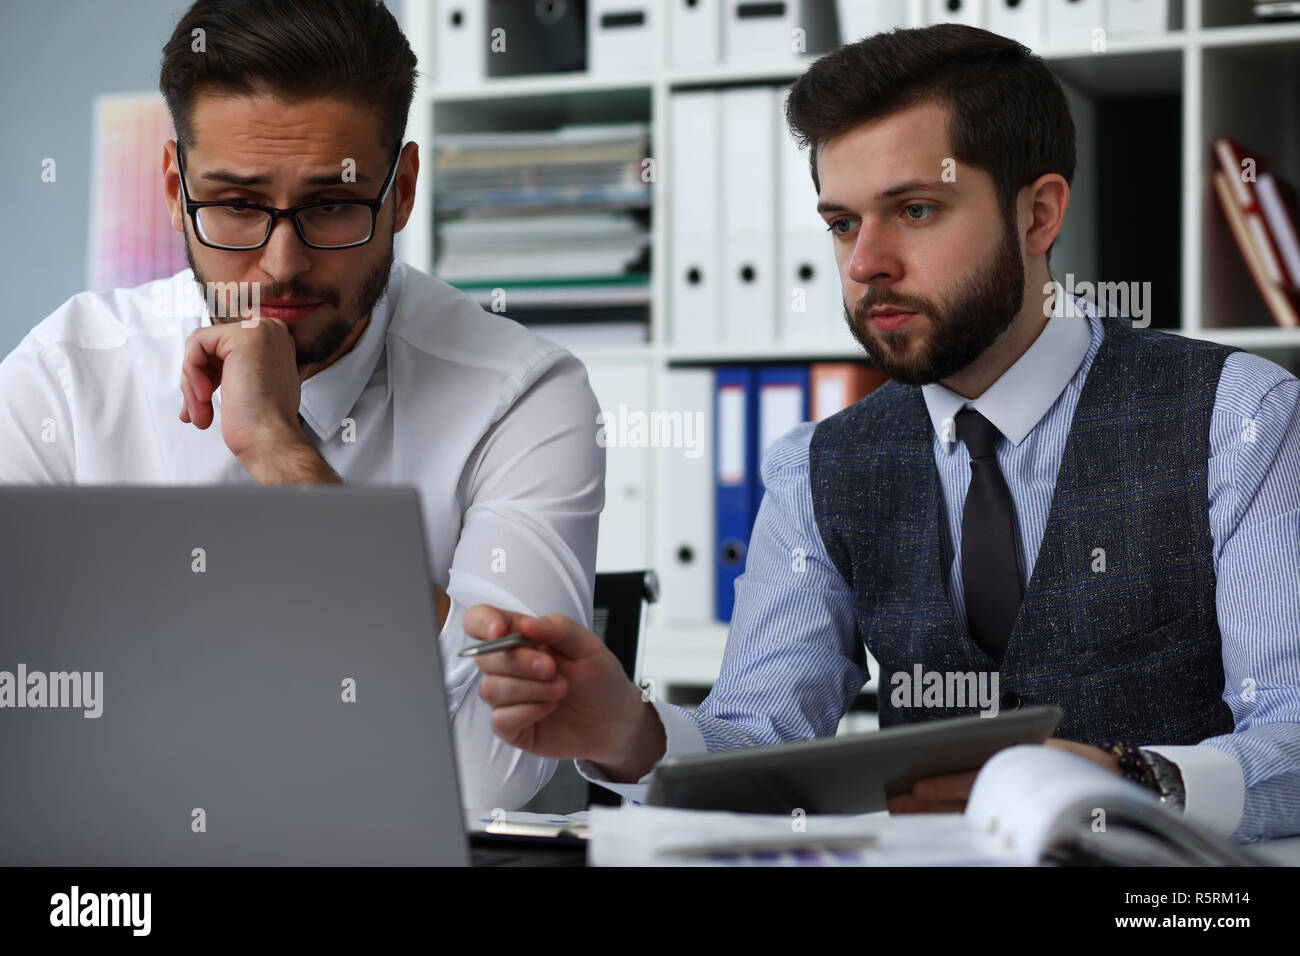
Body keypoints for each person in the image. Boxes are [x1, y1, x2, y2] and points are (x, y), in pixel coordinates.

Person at [464, 24, 1300, 842]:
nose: (865, 263)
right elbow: (763, 739)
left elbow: (1293, 740)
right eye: (842, 223)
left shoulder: (1239, 419)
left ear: (1040, 215)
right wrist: (632, 733)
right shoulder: (817, 468)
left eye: (916, 209)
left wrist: (1129, 783)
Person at [0, 0, 603, 810]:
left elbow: (491, 773)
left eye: (331, 205)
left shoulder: (524, 394)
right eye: (240, 205)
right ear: (176, 188)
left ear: (403, 191)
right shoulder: (67, 377)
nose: (282, 264)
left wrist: (286, 461)